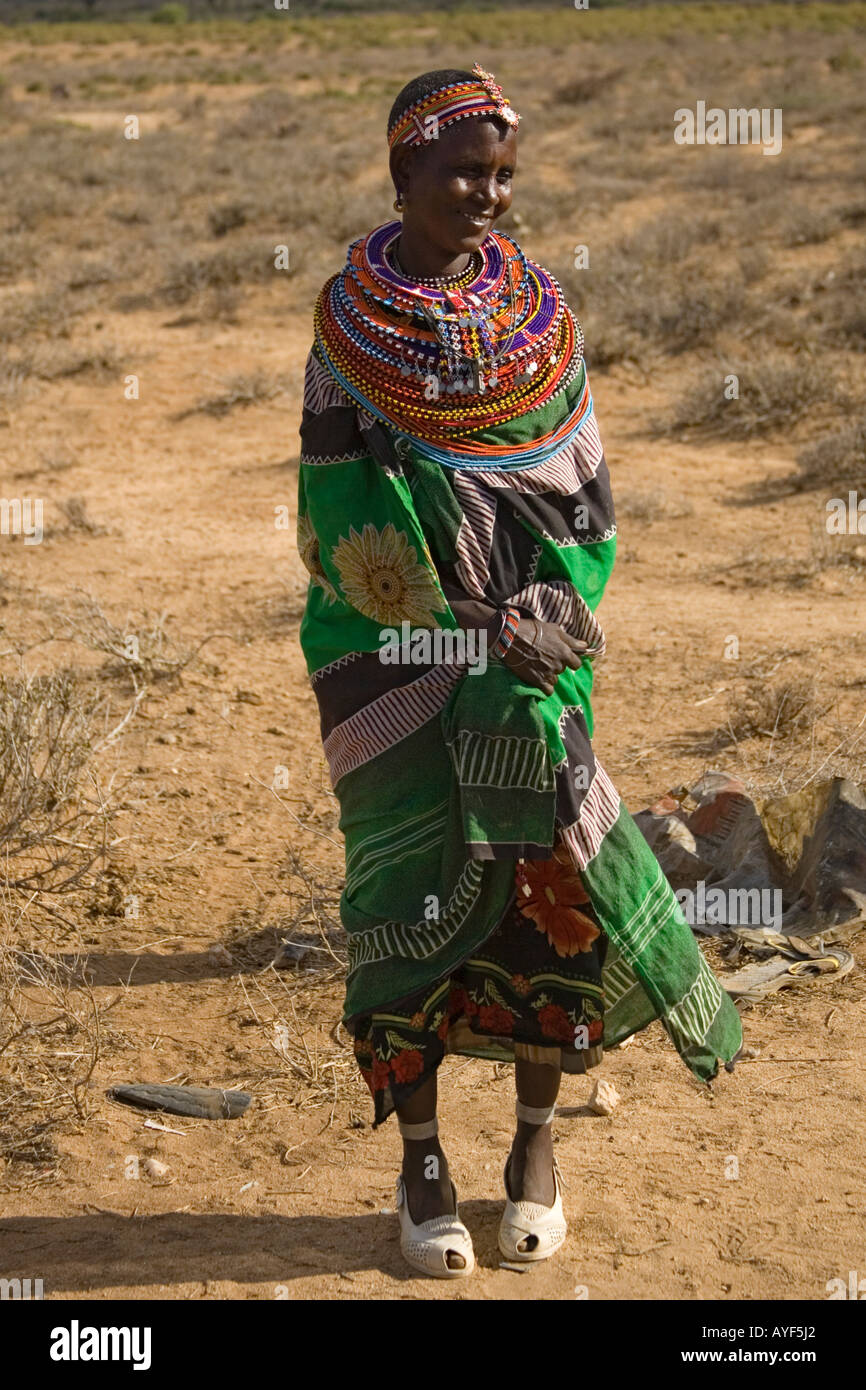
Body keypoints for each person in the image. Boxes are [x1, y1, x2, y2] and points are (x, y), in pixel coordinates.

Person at [296, 64, 742, 1279]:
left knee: (552, 890)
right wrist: (460, 626)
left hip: (537, 657)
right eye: (460, 173)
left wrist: (546, 615)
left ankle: (536, 1145)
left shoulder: (542, 316)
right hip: (393, 656)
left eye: (501, 177)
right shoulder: (348, 326)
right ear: (401, 175)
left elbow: (586, 503)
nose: (485, 194)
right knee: (404, 898)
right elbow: (331, 521)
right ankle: (422, 1158)